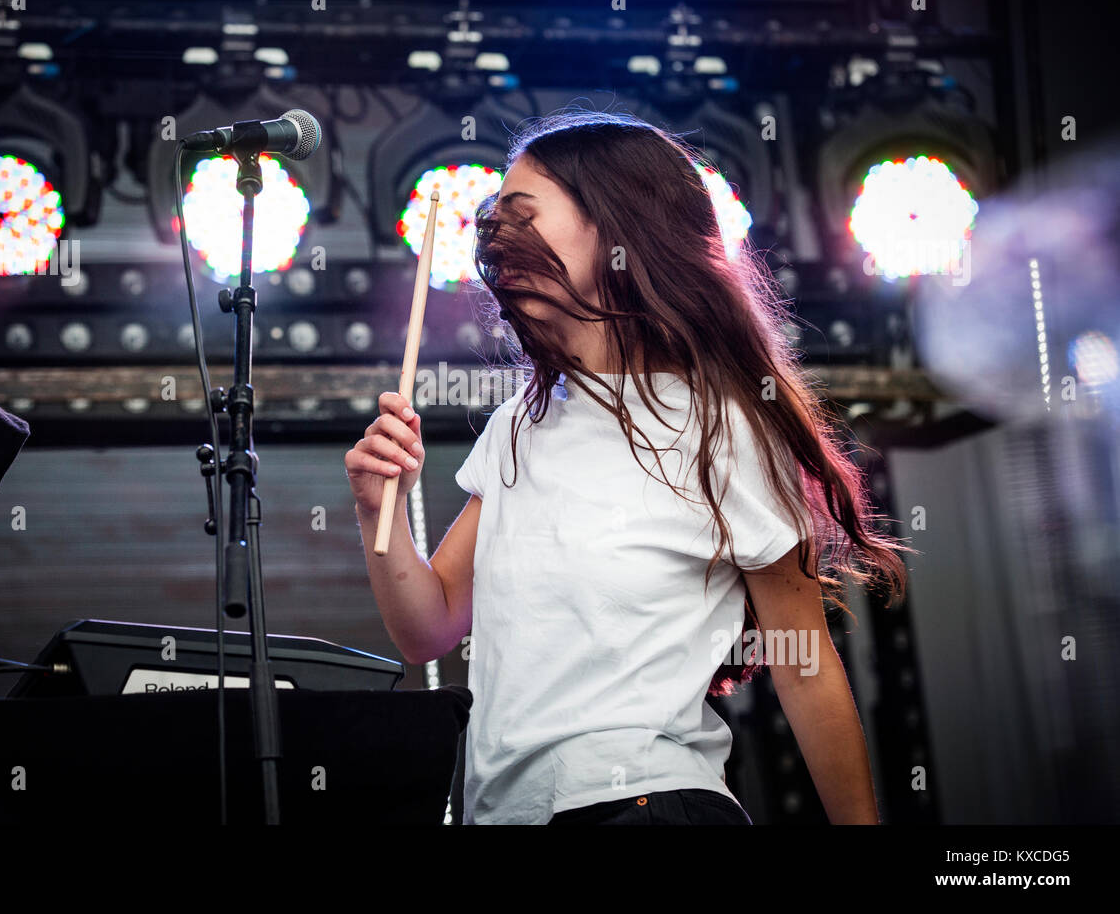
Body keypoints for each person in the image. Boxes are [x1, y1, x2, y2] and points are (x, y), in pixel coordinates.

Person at [346, 107, 910, 825]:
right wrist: (377, 511)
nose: (494, 235)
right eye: (495, 217)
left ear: (616, 229)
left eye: (523, 214)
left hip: (645, 803)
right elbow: (427, 629)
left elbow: (804, 664)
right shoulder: (520, 423)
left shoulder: (721, 425)